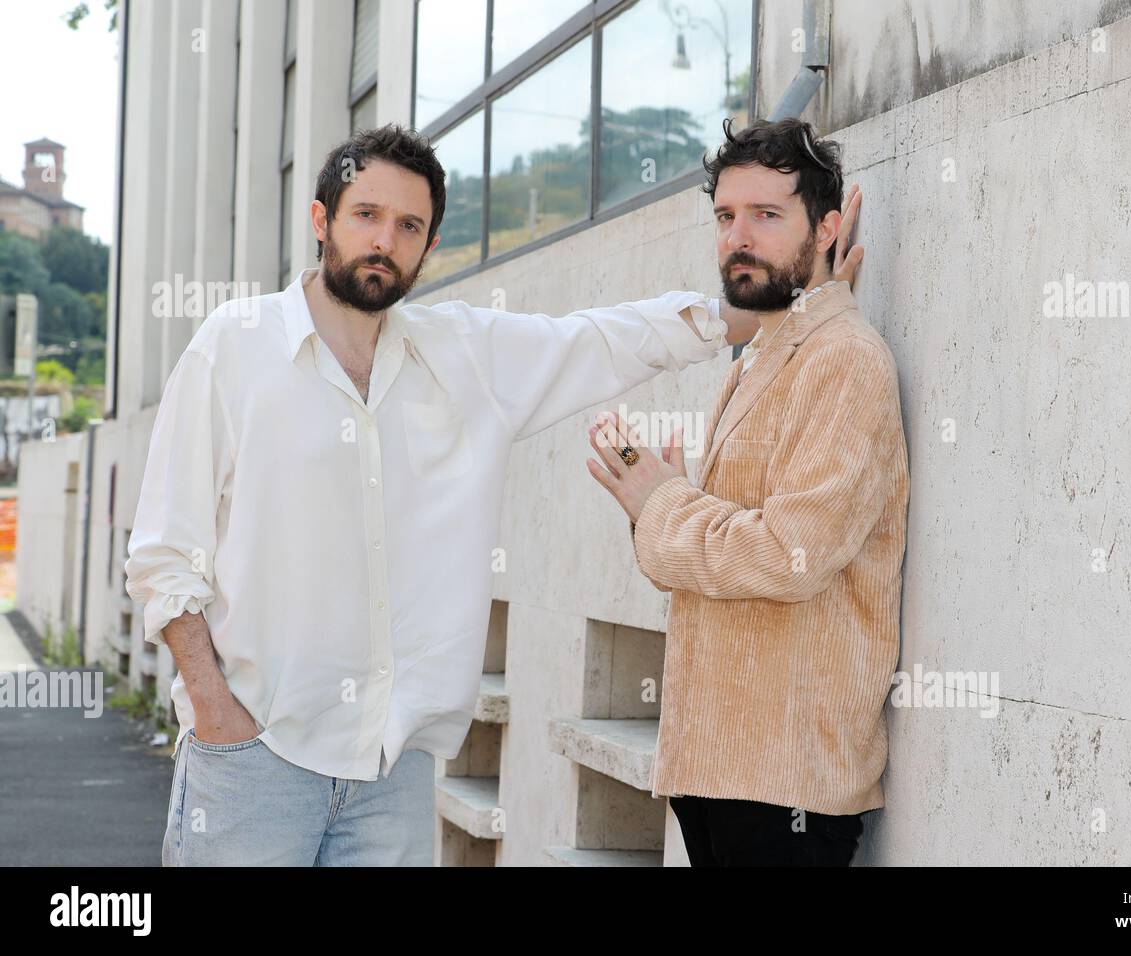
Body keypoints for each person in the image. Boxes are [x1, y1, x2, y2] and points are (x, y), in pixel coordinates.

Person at [125, 123, 861, 866]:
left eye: (409, 225)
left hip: (392, 772)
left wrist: (801, 298)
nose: (385, 240)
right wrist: (216, 713)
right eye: (366, 215)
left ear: (429, 245)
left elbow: (609, 338)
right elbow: (162, 556)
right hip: (255, 760)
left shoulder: (462, 355)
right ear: (322, 221)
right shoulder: (234, 346)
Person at [585, 117, 908, 866]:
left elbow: (787, 556)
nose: (738, 236)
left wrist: (660, 505)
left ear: (826, 226)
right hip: (725, 770)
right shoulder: (774, 350)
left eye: (768, 215)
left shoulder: (847, 362)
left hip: (784, 786)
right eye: (727, 216)